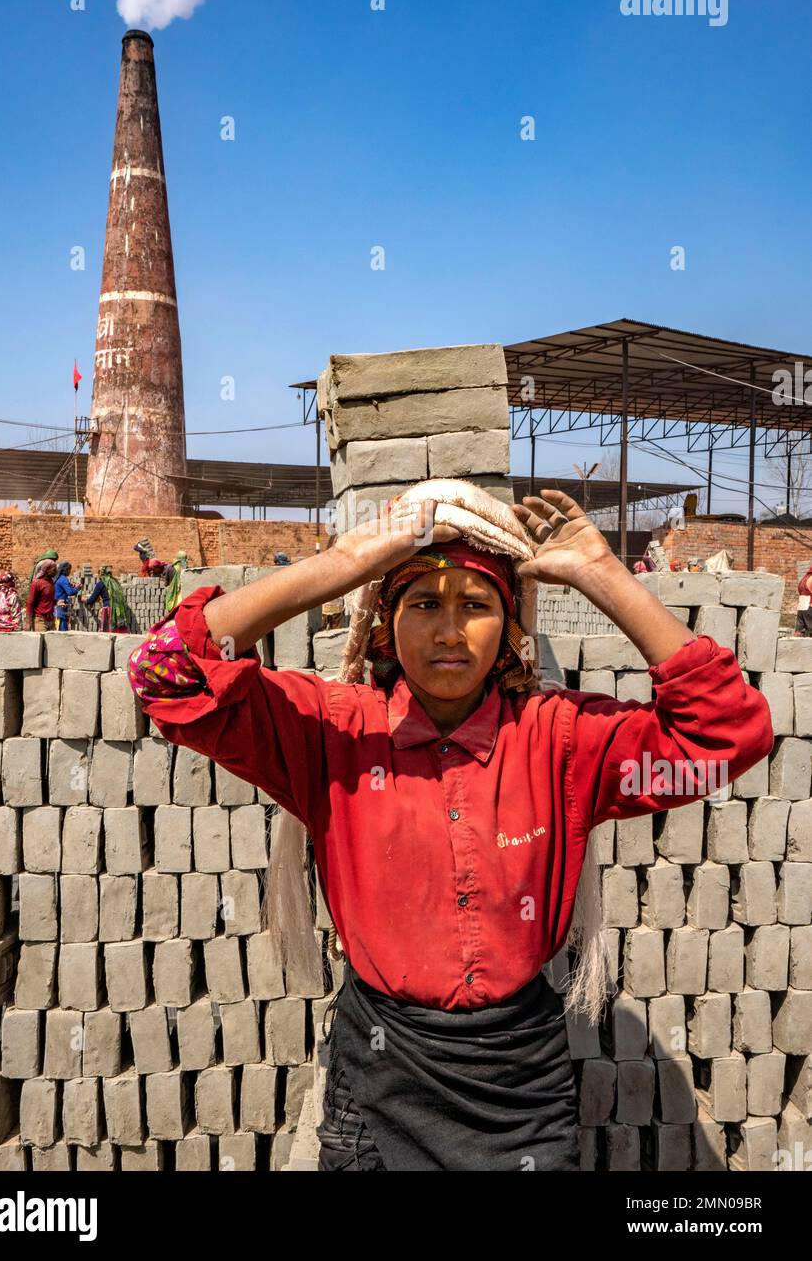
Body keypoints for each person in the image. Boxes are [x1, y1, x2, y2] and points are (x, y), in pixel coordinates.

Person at [126, 482, 772, 1172]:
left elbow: (727, 733)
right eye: (425, 604)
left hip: (518, 1086)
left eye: (476, 605)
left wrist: (602, 575)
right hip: (380, 1076)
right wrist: (345, 563)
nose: (449, 631)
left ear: (510, 629)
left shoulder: (560, 740)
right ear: (386, 623)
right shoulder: (330, 733)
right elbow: (164, 671)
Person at [85, 564, 131, 633]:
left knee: (107, 633)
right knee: (119, 633)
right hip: (119, 611)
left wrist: (84, 600)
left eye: (99, 572)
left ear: (101, 573)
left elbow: (92, 599)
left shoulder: (101, 584)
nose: (98, 575)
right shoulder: (115, 582)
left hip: (108, 610)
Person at [25, 559, 57, 631]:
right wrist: (28, 622)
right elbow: (30, 602)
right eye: (53, 569)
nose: (55, 571)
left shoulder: (51, 582)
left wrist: (57, 602)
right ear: (46, 570)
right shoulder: (37, 583)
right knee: (41, 638)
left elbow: (46, 599)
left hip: (51, 619)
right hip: (40, 620)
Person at [53, 561, 81, 632]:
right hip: (60, 608)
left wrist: (71, 586)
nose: (70, 572)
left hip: (55, 608)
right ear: (65, 570)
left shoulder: (57, 578)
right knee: (62, 632)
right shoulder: (63, 579)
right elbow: (70, 592)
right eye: (69, 570)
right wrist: (77, 588)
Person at [163, 549, 188, 614]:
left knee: (172, 614)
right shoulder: (186, 569)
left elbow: (166, 584)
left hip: (171, 596)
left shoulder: (169, 568)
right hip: (182, 597)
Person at [796, 562, 812, 637]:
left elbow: (799, 590)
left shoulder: (805, 578)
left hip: (801, 607)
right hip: (810, 608)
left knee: (798, 633)